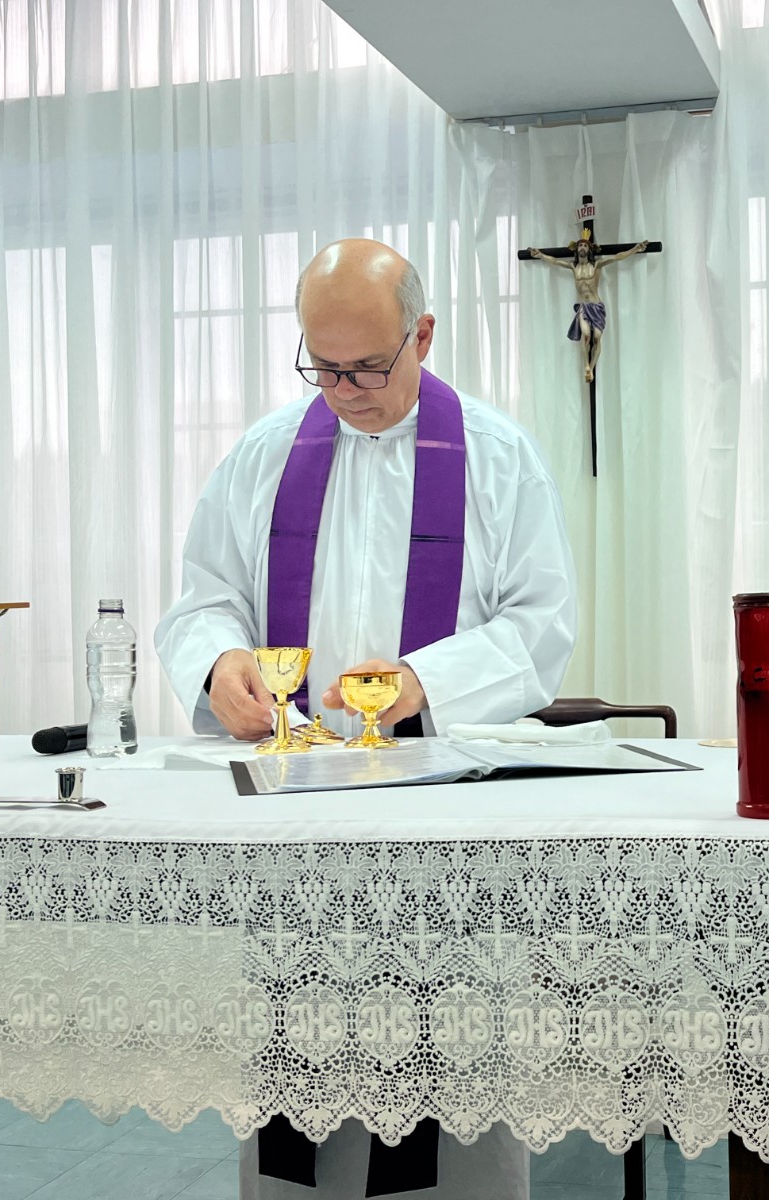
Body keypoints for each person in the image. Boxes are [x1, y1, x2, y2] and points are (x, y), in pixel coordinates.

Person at [155, 239, 579, 1200]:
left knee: (447, 1103)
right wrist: (219, 660)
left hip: (441, 824)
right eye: (323, 366)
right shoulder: (266, 454)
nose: (343, 389)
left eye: (368, 367)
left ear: (423, 335)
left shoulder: (499, 460)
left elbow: (542, 625)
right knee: (298, 1100)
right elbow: (203, 598)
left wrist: (427, 679)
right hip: (295, 820)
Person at [524, 230, 649, 382]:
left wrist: (635, 249)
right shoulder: (573, 267)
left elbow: (617, 257)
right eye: (580, 245)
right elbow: (555, 261)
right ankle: (587, 367)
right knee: (585, 335)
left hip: (596, 307)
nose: (582, 247)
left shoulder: (596, 265)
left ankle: (592, 366)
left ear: (589, 249)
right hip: (583, 307)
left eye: (585, 245)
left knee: (597, 338)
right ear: (576, 250)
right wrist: (541, 255)